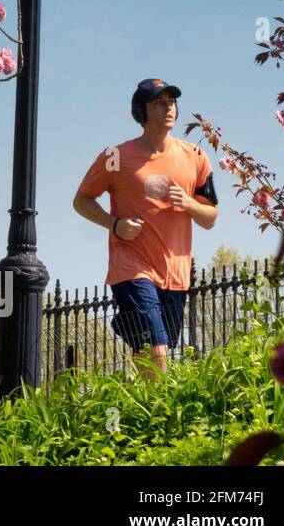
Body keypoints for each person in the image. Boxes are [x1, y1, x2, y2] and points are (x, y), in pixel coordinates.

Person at [72, 78, 219, 378]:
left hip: (175, 273)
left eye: (172, 102)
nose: (168, 109)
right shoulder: (116, 157)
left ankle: (141, 412)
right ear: (141, 111)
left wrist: (189, 205)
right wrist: (114, 224)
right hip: (132, 266)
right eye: (158, 103)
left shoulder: (196, 156)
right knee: (156, 347)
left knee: (149, 348)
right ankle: (164, 415)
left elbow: (210, 218)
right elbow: (82, 200)